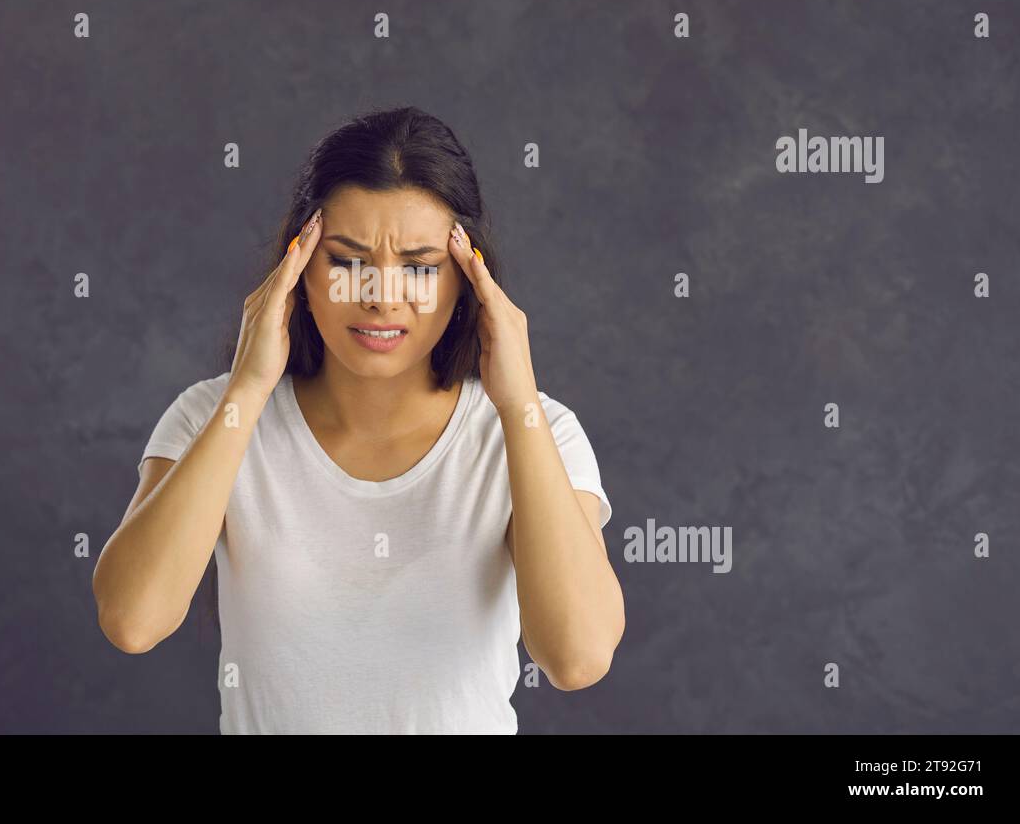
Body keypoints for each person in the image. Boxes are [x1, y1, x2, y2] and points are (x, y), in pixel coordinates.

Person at [92, 106, 625, 733]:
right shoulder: (216, 415)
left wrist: (519, 405)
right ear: (300, 268)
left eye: (421, 266)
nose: (380, 295)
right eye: (346, 260)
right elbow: (134, 621)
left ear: (466, 280)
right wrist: (250, 385)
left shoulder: (537, 431)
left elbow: (577, 657)